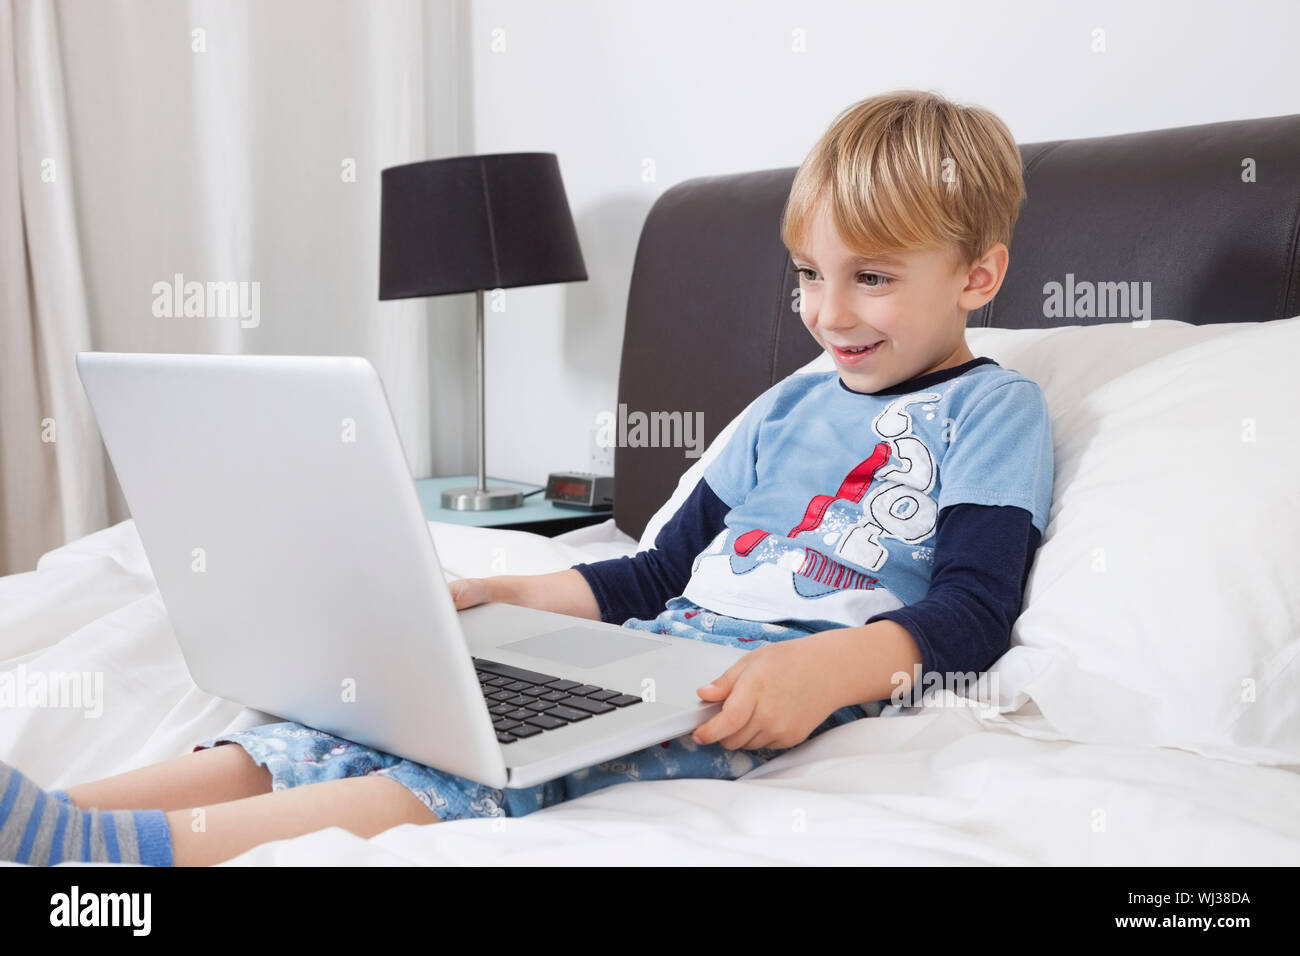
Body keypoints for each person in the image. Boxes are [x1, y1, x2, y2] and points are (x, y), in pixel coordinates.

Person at [0, 88, 1052, 867]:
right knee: (366, 713)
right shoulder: (790, 404)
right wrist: (500, 596)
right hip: (654, 649)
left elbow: (971, 609)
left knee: (475, 766)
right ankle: (62, 816)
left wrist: (825, 672)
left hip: (765, 679)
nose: (828, 314)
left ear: (977, 275)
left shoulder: (989, 409)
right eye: (810, 276)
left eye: (870, 279)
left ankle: (120, 862)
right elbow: (648, 573)